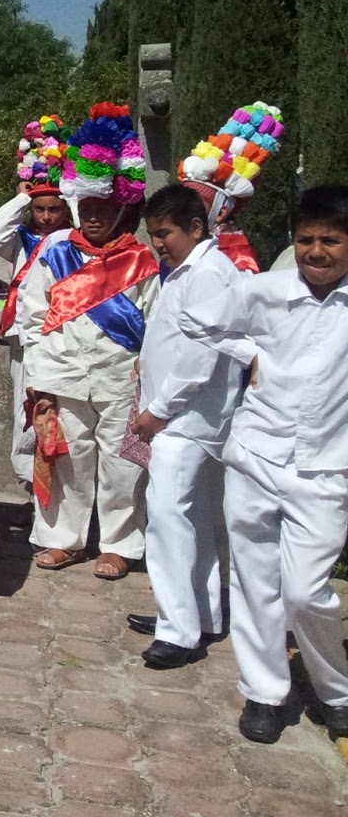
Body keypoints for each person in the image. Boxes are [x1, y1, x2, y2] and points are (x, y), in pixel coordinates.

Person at [178, 184, 348, 747]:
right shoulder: (265, 290)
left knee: (306, 590)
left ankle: (336, 690)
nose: (316, 251)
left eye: (331, 240)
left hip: (324, 469)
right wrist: (251, 355)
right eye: (306, 240)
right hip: (254, 454)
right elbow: (196, 317)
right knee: (254, 579)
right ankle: (264, 693)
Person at [20, 104, 159, 580]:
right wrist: (40, 376)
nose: (95, 218)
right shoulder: (55, 252)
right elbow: (30, 314)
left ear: (122, 207)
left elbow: (156, 323)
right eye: (88, 209)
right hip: (63, 376)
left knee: (122, 467)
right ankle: (62, 539)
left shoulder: (141, 261)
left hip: (121, 377)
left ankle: (119, 544)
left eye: (104, 210)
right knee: (68, 459)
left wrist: (146, 371)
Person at [127, 183, 246, 669]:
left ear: (196, 227)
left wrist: (159, 409)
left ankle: (179, 631)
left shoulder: (208, 273)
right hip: (183, 417)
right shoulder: (186, 270)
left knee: (169, 519)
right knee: (191, 520)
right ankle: (196, 613)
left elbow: (202, 354)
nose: (158, 243)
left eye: (166, 233)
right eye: (153, 234)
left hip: (186, 418)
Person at [0, 115, 71, 487]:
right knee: (25, 407)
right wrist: (25, 194)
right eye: (40, 209)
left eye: (54, 209)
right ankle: (29, 482)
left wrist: (68, 191)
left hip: (61, 334)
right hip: (24, 337)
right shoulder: (20, 240)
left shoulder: (73, 242)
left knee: (60, 411)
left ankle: (56, 484)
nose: (47, 217)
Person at [178, 101, 285, 274]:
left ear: (221, 212)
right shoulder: (180, 243)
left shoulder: (238, 261)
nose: (181, 207)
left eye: (193, 202)